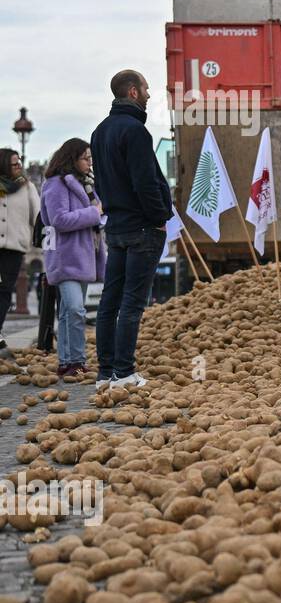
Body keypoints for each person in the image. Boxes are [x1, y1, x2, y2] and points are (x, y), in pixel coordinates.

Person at [90, 70, 174, 386]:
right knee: (132, 302)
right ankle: (125, 373)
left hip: (116, 227)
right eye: (147, 88)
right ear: (133, 92)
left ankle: (105, 372)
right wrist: (158, 217)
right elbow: (145, 182)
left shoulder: (99, 133)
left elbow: (101, 182)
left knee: (110, 301)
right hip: (142, 227)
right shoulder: (135, 132)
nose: (150, 94)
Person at [40, 139, 106, 379]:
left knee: (69, 311)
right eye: (85, 158)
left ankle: (66, 362)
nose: (90, 162)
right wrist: (94, 213)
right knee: (76, 310)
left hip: (83, 256)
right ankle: (77, 360)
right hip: (65, 257)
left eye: (90, 158)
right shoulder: (55, 184)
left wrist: (98, 213)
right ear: (72, 159)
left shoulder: (88, 184)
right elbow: (58, 220)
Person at [0, 147, 41, 361]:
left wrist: (40, 242)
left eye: (20, 163)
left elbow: (38, 216)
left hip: (15, 248)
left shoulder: (27, 187)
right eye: (14, 164)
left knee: (5, 291)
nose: (19, 167)